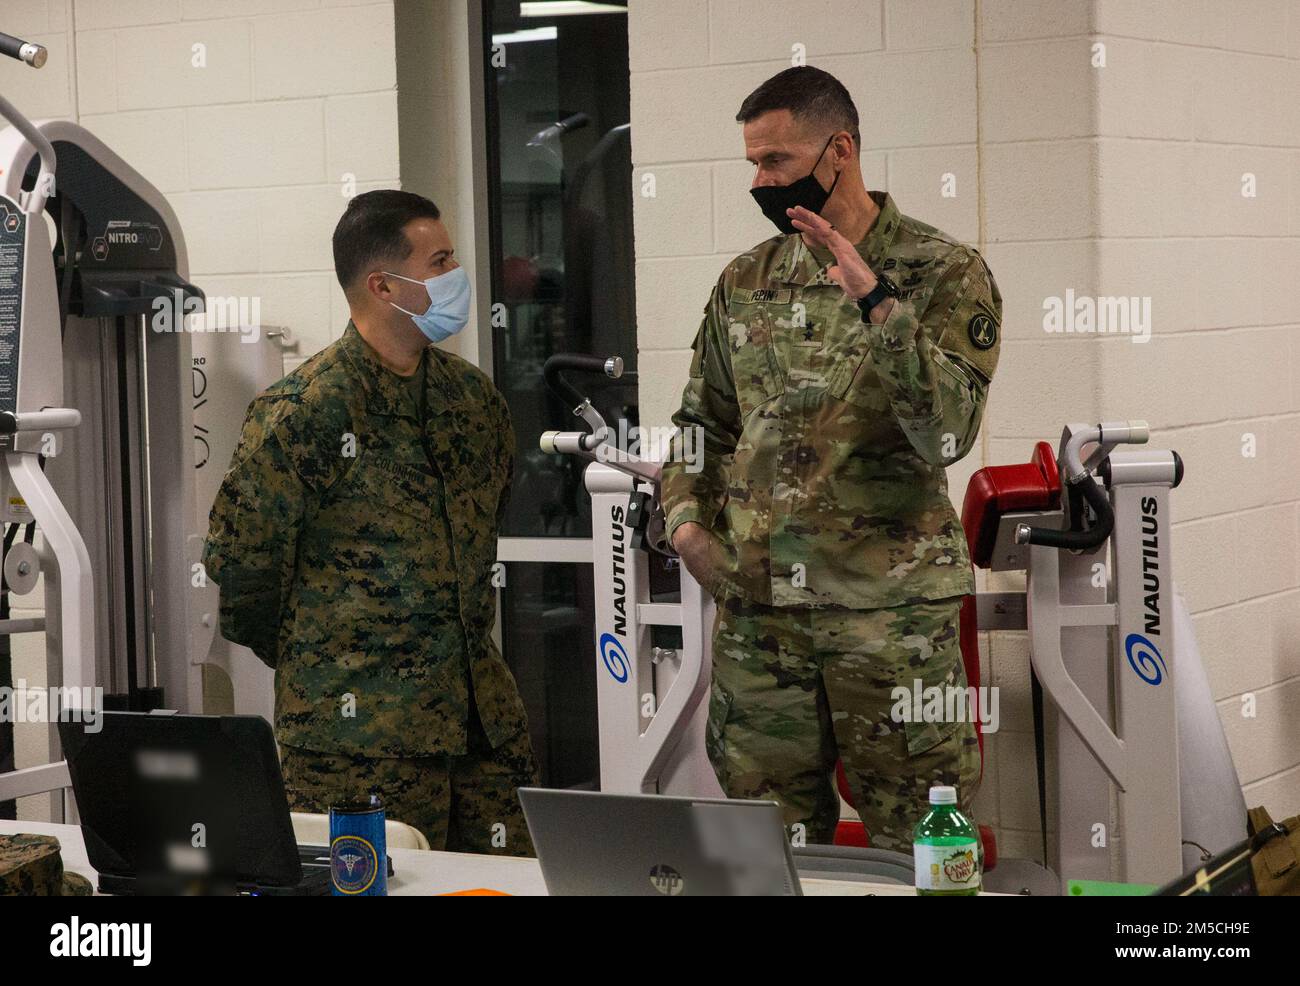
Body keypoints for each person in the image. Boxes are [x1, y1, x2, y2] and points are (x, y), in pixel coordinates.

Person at [661, 66, 1002, 851]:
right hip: (761, 619)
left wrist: (878, 302)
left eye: (775, 162)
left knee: (922, 838)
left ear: (839, 151)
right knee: (762, 844)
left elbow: (947, 433)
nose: (760, 181)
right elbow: (698, 424)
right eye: (752, 162)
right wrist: (685, 526)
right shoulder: (748, 278)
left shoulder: (942, 272)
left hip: (889, 622)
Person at [203, 189, 537, 855]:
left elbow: (480, 542)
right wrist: (340, 665)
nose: (457, 276)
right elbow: (243, 576)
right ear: (385, 285)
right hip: (354, 749)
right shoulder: (306, 412)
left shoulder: (474, 403)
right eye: (439, 261)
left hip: (483, 735)